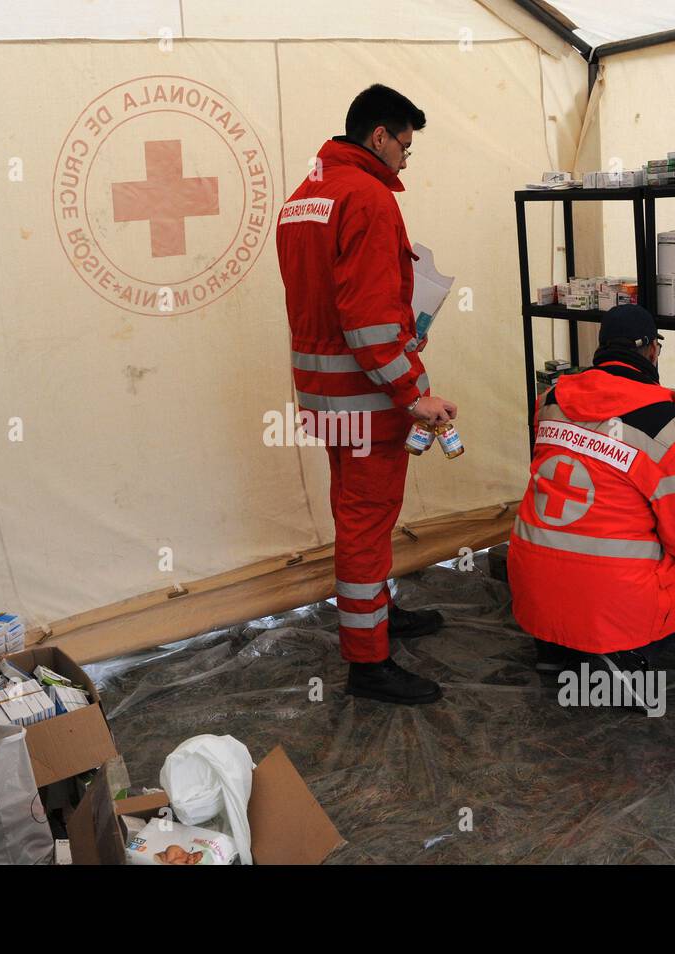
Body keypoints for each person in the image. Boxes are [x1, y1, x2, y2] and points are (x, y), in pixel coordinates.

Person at [276, 84, 458, 706]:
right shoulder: (369, 198)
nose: (407, 159)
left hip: (328, 399)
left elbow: (328, 307)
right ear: (378, 136)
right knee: (364, 524)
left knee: (360, 519)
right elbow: (370, 322)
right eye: (404, 145)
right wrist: (415, 395)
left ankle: (376, 614)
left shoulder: (304, 196)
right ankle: (368, 662)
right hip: (369, 400)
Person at [507, 304, 675, 689]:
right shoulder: (670, 425)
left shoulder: (550, 400)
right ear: (652, 351)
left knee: (577, 568)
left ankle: (555, 650)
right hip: (613, 600)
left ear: (601, 348)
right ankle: (621, 659)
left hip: (533, 585)